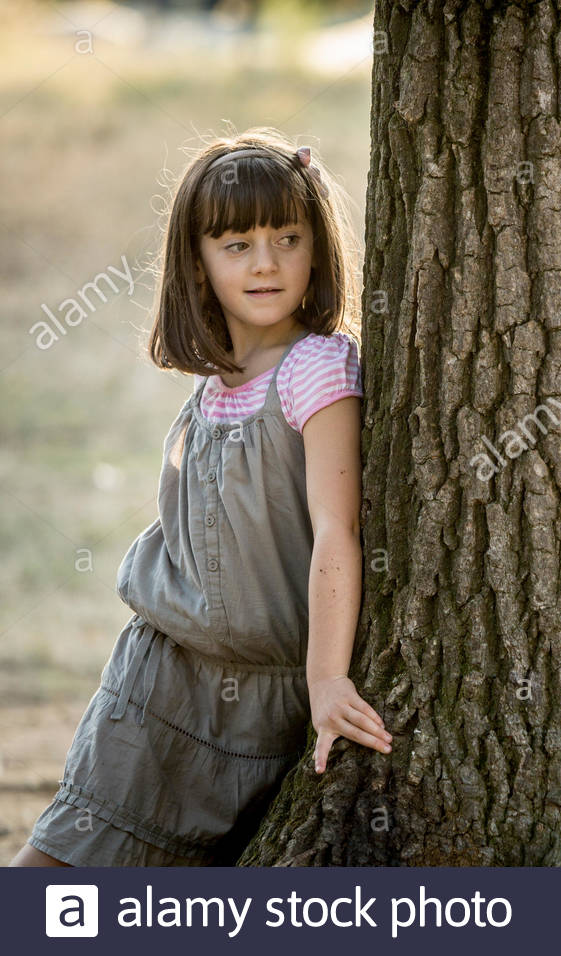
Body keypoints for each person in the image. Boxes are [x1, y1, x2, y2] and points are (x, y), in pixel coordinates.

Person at [10, 129, 392, 867]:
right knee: (59, 866)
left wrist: (326, 678)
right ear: (197, 262)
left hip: (270, 695)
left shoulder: (315, 369)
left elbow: (336, 531)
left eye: (287, 236)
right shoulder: (212, 380)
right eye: (237, 244)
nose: (266, 262)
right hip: (163, 682)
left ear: (317, 249)